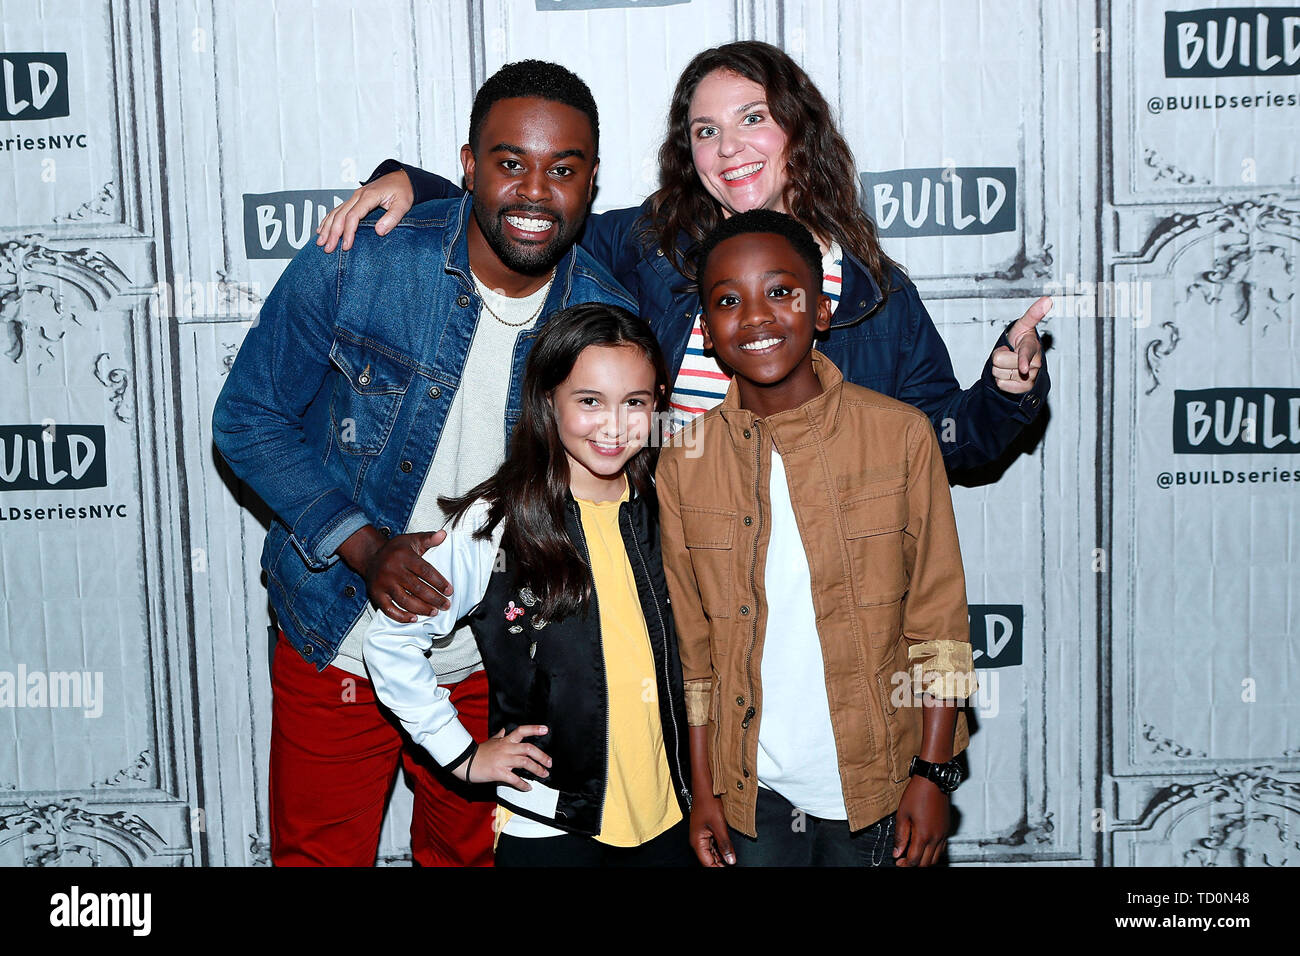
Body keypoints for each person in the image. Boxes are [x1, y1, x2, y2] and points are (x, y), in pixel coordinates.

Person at [211, 60, 636, 866]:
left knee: (468, 861)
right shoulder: (361, 261)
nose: (536, 191)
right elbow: (248, 417)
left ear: (591, 182)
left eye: (564, 169)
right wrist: (364, 545)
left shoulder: (604, 319)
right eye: (510, 163)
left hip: (490, 657)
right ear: (470, 167)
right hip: (339, 634)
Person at [317, 40, 1051, 471]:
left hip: (826, 582)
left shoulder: (871, 293)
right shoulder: (655, 245)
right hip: (684, 581)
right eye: (705, 131)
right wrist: (421, 185)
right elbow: (534, 220)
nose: (728, 148)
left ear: (799, 130)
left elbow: (942, 443)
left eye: (752, 120)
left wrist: (1006, 393)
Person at [657, 209, 978, 867]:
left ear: (822, 311)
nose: (755, 316)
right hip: (753, 794)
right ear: (708, 332)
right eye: (727, 300)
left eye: (781, 291)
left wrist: (933, 772)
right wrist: (703, 789)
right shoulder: (683, 461)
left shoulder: (900, 436)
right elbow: (693, 653)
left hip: (884, 785)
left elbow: (939, 624)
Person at [364, 304, 694, 867]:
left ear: (659, 404)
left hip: (672, 814)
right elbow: (390, 642)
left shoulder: (672, 504)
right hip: (551, 825)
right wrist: (462, 756)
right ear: (548, 401)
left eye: (634, 402)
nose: (613, 425)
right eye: (589, 401)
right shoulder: (494, 522)